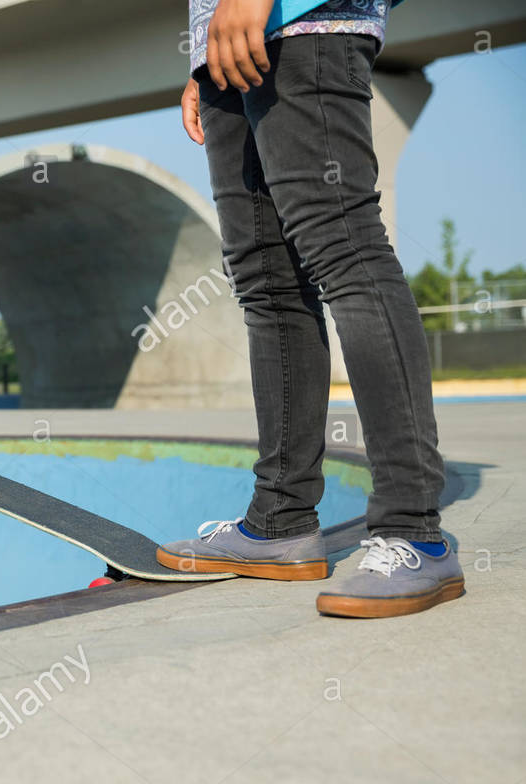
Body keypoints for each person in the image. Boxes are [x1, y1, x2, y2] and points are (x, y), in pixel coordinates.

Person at [155, 0, 465, 618]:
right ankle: (280, 519)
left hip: (306, 22)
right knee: (266, 282)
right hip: (225, 43)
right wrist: (202, 50)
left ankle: (415, 531)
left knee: (344, 248)